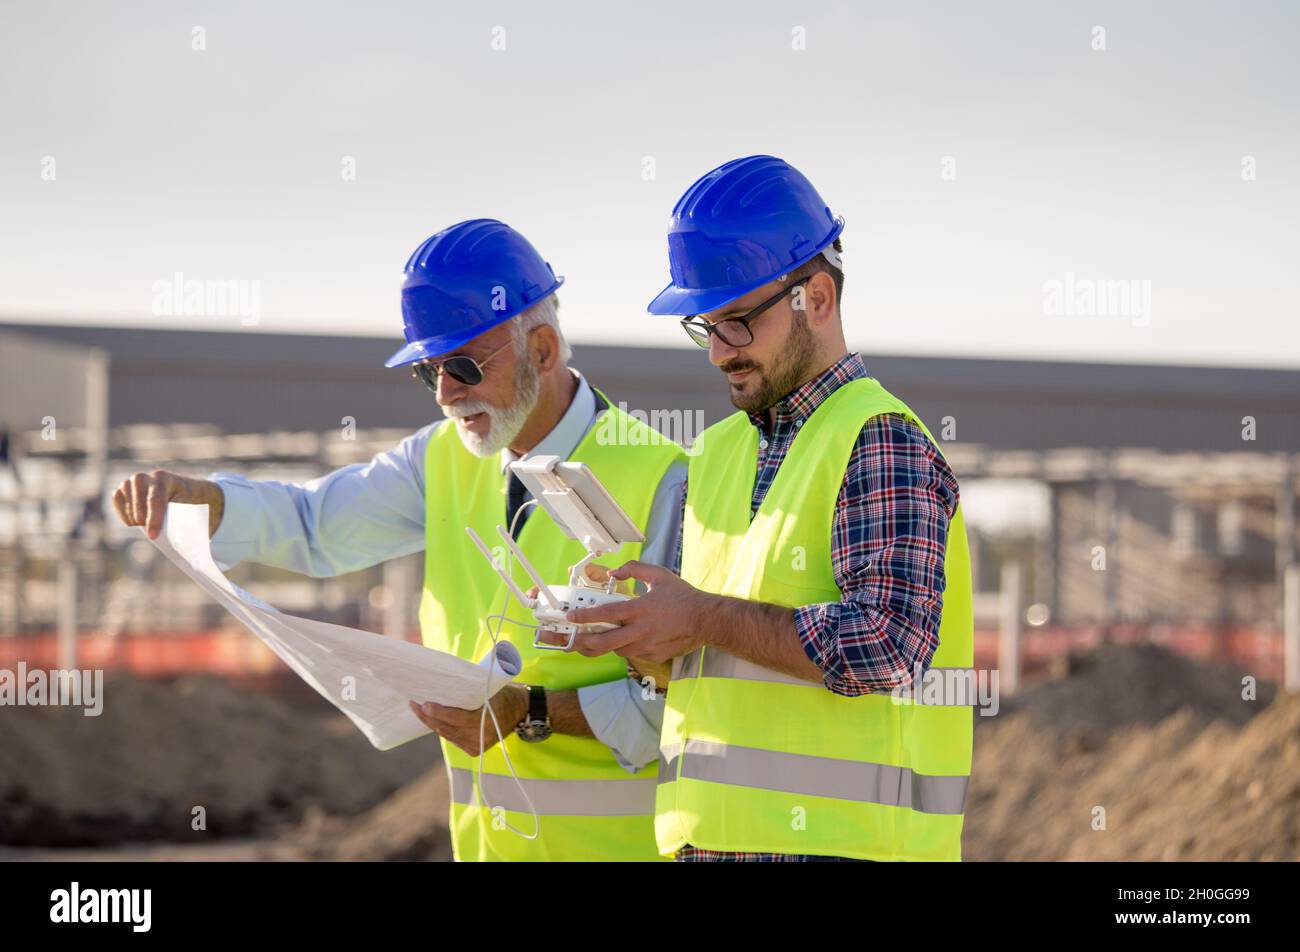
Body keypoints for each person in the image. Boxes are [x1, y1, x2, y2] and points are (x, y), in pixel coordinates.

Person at [113, 219, 684, 861]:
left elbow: (684, 700)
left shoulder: (661, 479)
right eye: (428, 372)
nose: (445, 394)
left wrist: (532, 711)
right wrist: (212, 502)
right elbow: (316, 527)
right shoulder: (439, 459)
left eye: (463, 366)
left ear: (544, 350)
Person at [563, 157, 975, 861]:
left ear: (815, 297)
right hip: (711, 844)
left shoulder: (878, 438)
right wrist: (649, 641)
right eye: (706, 327)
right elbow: (722, 661)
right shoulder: (717, 454)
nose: (720, 353)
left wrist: (700, 616)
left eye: (738, 322)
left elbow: (889, 645)